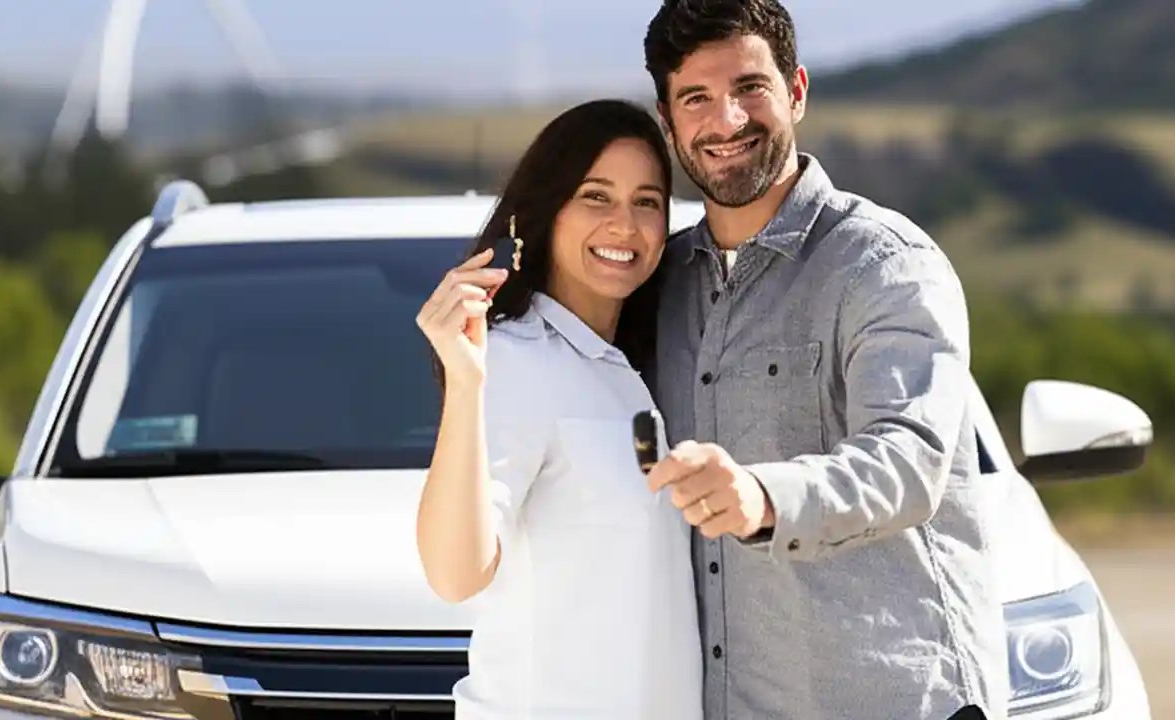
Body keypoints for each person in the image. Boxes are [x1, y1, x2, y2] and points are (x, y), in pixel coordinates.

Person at [638, 1, 1009, 719]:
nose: (727, 121)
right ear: (668, 119)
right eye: (696, 98)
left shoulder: (884, 264)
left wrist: (764, 497)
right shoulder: (664, 285)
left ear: (797, 91)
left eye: (750, 87)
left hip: (896, 700)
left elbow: (908, 460)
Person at [413, 99, 702, 720]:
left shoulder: (632, 371)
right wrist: (465, 384)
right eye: (596, 196)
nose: (624, 225)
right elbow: (455, 574)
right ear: (547, 210)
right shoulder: (515, 360)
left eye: (647, 201)